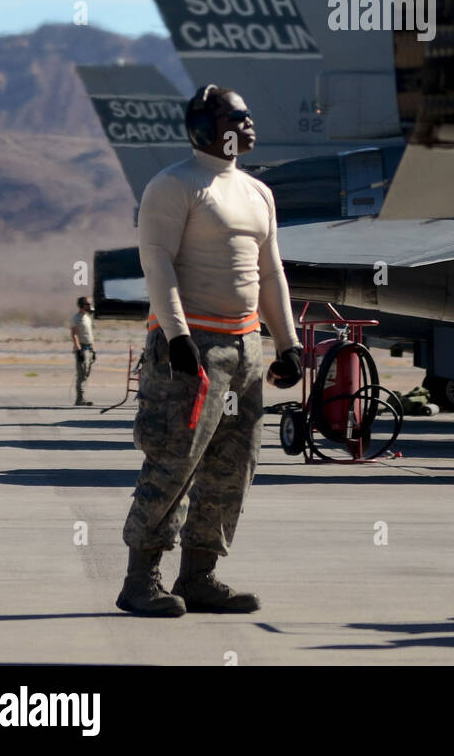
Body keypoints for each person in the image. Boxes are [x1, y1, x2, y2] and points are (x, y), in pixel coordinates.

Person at [116, 85, 303, 618]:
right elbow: (157, 261)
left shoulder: (256, 193)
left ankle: (199, 575)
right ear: (206, 126)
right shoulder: (174, 185)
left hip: (245, 349)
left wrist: (285, 344)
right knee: (175, 460)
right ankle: (140, 579)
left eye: (246, 116)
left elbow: (271, 273)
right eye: (236, 116)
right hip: (192, 350)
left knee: (232, 464)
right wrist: (176, 337)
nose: (247, 125)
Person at [70, 295, 96, 407]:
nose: (89, 306)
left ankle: (83, 397)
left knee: (86, 373)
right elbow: (74, 334)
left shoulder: (87, 318)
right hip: (82, 348)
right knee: (82, 374)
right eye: (87, 304)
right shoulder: (76, 318)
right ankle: (80, 398)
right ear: (81, 305)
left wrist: (94, 350)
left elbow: (90, 335)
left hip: (89, 347)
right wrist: (78, 349)